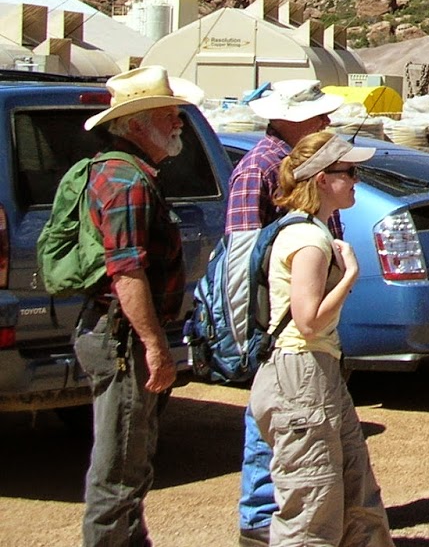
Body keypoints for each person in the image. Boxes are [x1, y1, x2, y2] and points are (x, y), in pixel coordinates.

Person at [77, 65, 203, 547]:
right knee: (120, 469)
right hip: (122, 338)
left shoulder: (122, 172)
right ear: (135, 124)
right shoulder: (128, 181)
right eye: (167, 114)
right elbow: (126, 271)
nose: (178, 122)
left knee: (129, 461)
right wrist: (154, 345)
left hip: (116, 332)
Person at [248, 130, 393, 546]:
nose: (356, 181)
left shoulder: (309, 231)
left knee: (356, 494)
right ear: (322, 179)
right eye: (349, 173)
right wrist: (350, 276)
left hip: (316, 371)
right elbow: (308, 321)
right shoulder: (309, 240)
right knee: (312, 509)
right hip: (300, 374)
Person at [227, 80, 345, 546]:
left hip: (304, 317)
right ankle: (261, 515)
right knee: (277, 418)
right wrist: (251, 330)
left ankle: (281, 511)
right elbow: (242, 255)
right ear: (289, 120)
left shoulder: (300, 164)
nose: (327, 122)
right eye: (318, 116)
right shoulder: (259, 168)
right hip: (277, 326)